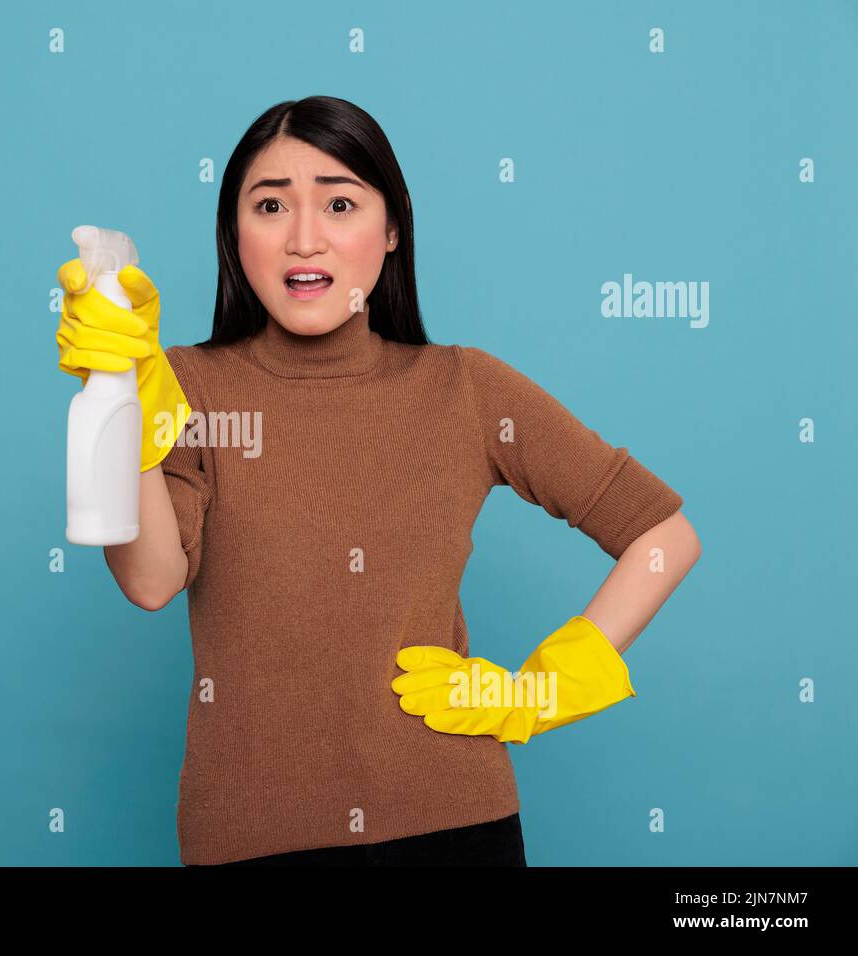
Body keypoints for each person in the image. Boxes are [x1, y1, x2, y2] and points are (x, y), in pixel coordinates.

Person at [55, 95, 701, 867]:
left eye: (339, 202)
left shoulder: (466, 390)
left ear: (391, 230)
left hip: (455, 828)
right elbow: (151, 581)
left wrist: (546, 687)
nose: (304, 238)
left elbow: (664, 536)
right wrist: (122, 398)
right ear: (234, 234)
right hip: (249, 842)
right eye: (269, 205)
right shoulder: (186, 388)